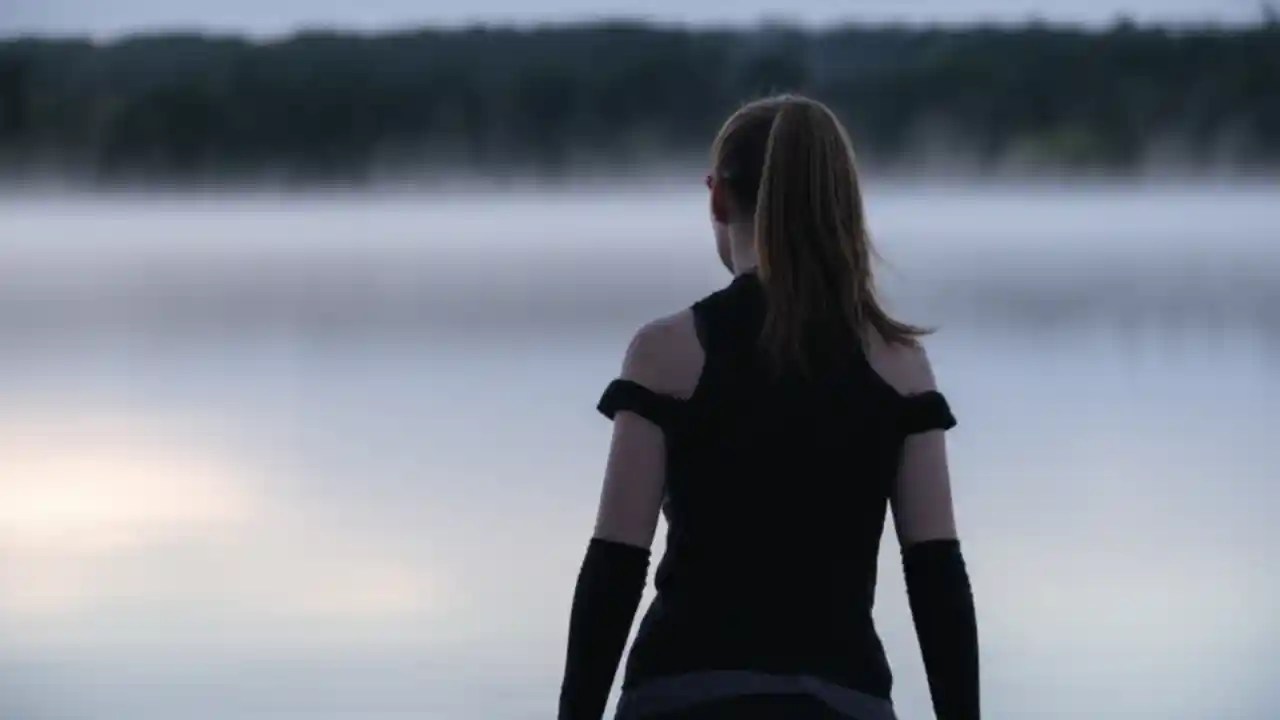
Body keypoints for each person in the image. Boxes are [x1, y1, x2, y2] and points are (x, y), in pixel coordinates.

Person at [557, 94, 979, 720]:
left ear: (717, 198)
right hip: (843, 699)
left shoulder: (666, 354)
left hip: (680, 697)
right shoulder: (899, 367)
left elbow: (614, 569)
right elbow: (936, 577)